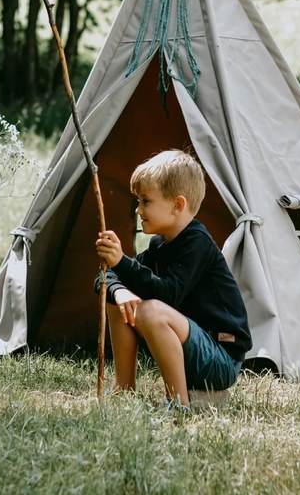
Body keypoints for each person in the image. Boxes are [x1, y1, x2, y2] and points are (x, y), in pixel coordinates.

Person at [94, 150, 251, 409]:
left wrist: (122, 262)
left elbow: (168, 294)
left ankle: (177, 403)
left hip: (221, 359)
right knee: (117, 297)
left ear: (177, 205)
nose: (138, 209)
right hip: (191, 349)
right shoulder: (161, 245)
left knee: (152, 311)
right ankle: (124, 388)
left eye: (146, 201)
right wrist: (119, 290)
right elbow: (104, 279)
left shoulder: (197, 243)